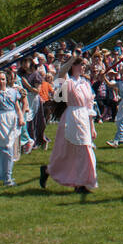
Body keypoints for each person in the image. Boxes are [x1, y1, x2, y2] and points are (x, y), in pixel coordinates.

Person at [41, 56, 98, 193]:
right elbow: (61, 73)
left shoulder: (85, 83)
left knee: (76, 151)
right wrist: (72, 59)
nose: (83, 67)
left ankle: (50, 171)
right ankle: (80, 184)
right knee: (74, 151)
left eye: (84, 65)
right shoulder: (67, 82)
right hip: (71, 117)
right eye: (80, 64)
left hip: (83, 117)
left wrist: (92, 127)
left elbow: (89, 106)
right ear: (73, 66)